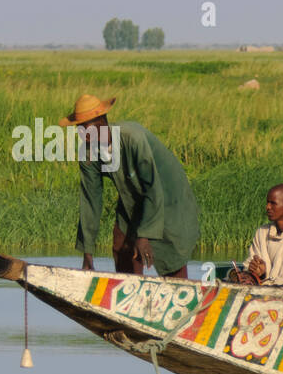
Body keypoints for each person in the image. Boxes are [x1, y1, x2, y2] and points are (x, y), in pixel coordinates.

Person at [60, 94, 200, 279]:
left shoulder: (132, 138)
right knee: (122, 244)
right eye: (79, 129)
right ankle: (127, 292)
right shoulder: (88, 151)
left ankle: (181, 296)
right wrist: (88, 252)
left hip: (167, 194)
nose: (84, 135)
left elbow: (152, 187)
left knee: (170, 252)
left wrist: (144, 235)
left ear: (103, 122)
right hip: (133, 197)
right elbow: (90, 199)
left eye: (87, 129)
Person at [234, 184, 283, 285]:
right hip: (261, 292)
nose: (267, 207)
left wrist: (263, 279)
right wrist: (258, 273)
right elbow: (249, 266)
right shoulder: (261, 232)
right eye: (267, 202)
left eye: (273, 203)